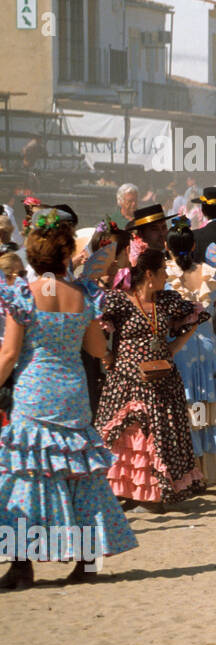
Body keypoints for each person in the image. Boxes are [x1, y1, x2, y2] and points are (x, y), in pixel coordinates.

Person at [0, 208, 138, 589]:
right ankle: (86, 561)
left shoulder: (23, 295)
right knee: (81, 475)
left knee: (29, 475)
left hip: (34, 393)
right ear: (64, 254)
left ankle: (23, 565)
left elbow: (9, 354)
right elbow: (96, 348)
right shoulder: (81, 295)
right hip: (73, 392)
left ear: (33, 253)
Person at [96, 239, 208, 510]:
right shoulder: (119, 301)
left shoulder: (168, 301)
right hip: (126, 382)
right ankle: (124, 490)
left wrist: (172, 347)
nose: (166, 276)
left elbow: (196, 317)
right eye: (162, 270)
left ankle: (154, 492)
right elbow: (95, 330)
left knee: (160, 434)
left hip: (162, 381)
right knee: (129, 436)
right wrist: (108, 358)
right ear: (149, 274)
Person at [165, 219, 216, 486]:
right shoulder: (210, 273)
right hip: (208, 348)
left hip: (179, 350)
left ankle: (190, 472)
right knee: (208, 405)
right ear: (193, 245)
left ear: (168, 247)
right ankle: (211, 472)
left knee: (186, 406)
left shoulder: (162, 274)